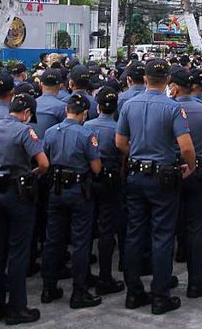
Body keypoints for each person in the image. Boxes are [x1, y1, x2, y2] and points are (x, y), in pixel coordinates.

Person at [115, 58, 197, 315]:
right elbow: (185, 146)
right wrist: (191, 166)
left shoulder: (129, 105)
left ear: (145, 78)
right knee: (162, 236)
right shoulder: (173, 108)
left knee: (134, 234)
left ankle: (134, 292)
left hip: (137, 174)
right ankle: (161, 296)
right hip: (164, 176)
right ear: (168, 81)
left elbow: (120, 142)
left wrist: (139, 156)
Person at [0, 93, 49, 324]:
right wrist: (33, 175)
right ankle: (17, 307)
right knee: (18, 251)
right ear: (27, 113)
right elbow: (43, 163)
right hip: (18, 192)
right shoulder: (24, 131)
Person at [40, 93, 103, 308]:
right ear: (84, 113)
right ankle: (79, 291)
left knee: (53, 240)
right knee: (80, 242)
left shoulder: (50, 132)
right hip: (78, 190)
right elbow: (96, 167)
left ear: (67, 110)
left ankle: (48, 288)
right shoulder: (87, 134)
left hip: (56, 190)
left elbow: (44, 161)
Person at [168, 66, 202, 298]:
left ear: (174, 87)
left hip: (171, 171)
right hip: (197, 171)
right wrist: (198, 163)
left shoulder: (168, 109)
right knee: (196, 227)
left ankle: (165, 277)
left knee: (166, 226)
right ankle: (196, 281)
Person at [84, 87, 126, 296]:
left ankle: (84, 274)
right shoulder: (119, 129)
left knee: (86, 229)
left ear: (97, 106)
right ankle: (105, 276)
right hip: (112, 182)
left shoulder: (86, 126)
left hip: (89, 181)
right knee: (107, 230)